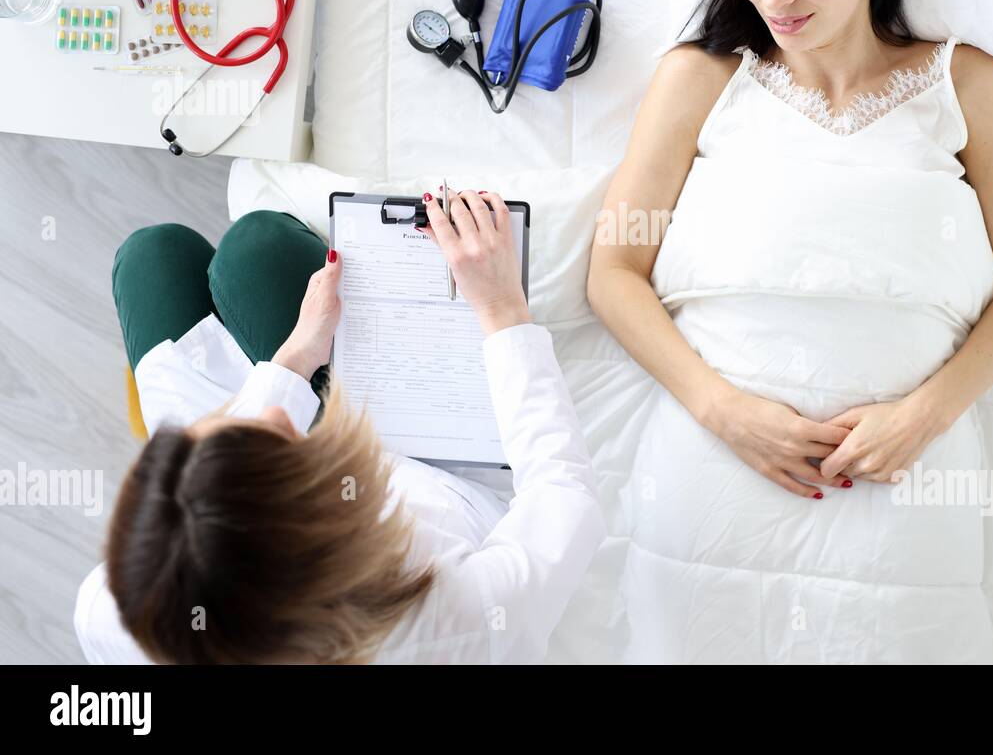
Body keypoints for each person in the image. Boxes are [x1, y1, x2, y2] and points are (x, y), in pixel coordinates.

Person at [587, 0, 993, 496]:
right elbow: (613, 272)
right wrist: (726, 412)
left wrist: (923, 416)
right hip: (715, 471)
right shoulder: (697, 79)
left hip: (908, 477)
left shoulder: (966, 82)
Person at [75, 190, 604, 664]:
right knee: (257, 248)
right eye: (286, 444)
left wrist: (296, 357)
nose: (280, 412)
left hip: (254, 514)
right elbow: (564, 490)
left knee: (153, 252)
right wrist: (500, 305)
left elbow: (242, 457)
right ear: (338, 527)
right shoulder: (458, 624)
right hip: (420, 474)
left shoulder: (113, 610)